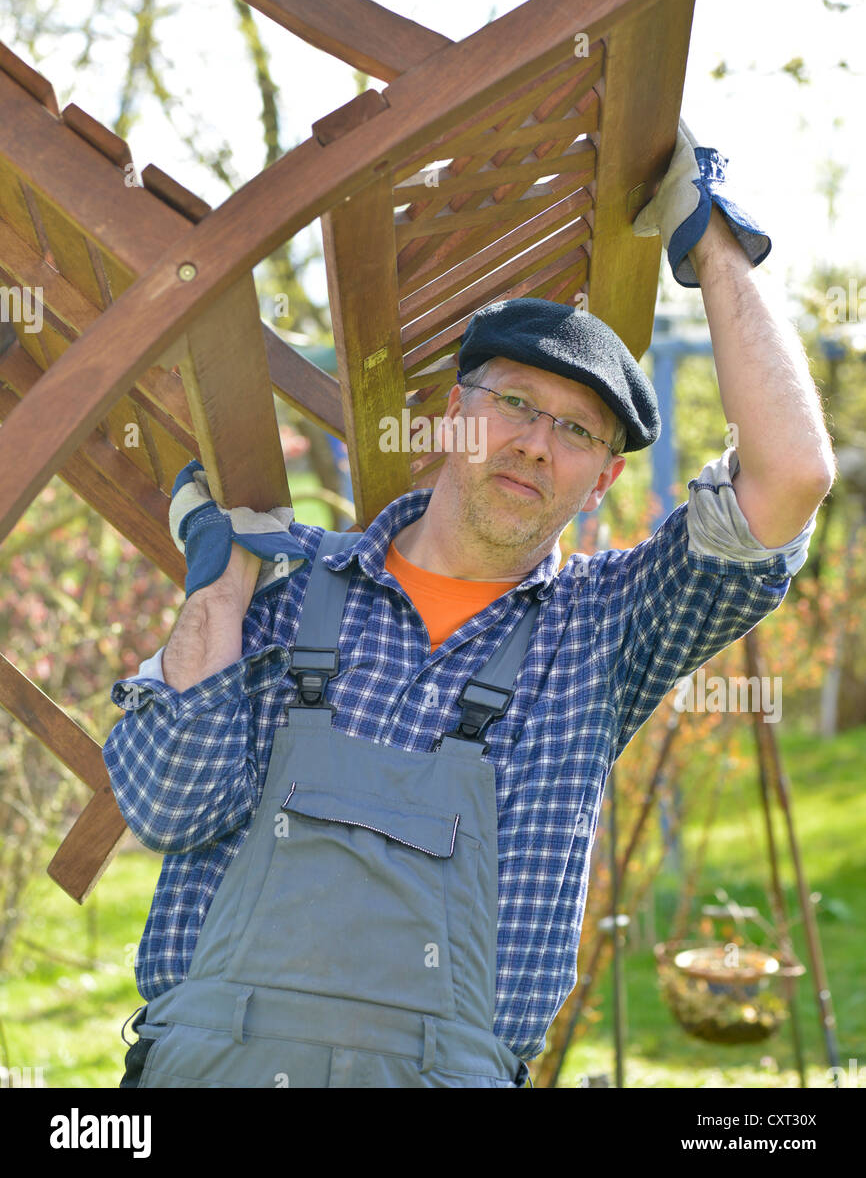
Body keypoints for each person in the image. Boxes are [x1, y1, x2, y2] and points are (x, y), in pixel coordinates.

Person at [105, 125, 835, 1088]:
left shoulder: (604, 630)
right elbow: (165, 807)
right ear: (455, 415)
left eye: (575, 431)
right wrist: (218, 594)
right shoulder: (292, 591)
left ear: (605, 477)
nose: (536, 444)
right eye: (515, 403)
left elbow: (790, 476)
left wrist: (714, 242)